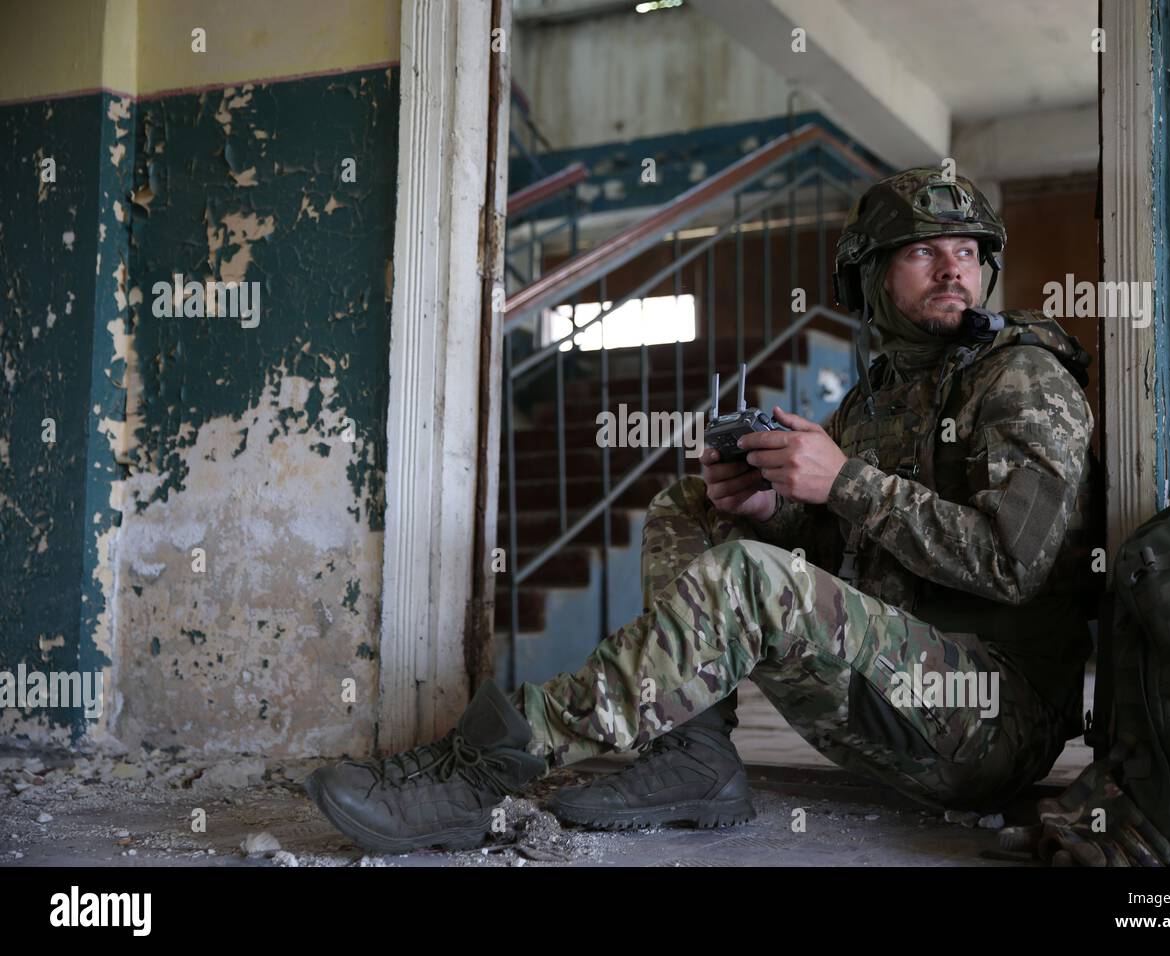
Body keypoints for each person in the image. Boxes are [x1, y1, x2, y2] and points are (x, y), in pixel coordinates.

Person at [304, 168, 1099, 853]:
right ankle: (694, 756)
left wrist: (844, 480)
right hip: (897, 688)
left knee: (756, 578)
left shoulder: (1021, 377)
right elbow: (852, 552)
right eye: (924, 250)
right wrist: (773, 511)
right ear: (867, 276)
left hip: (989, 719)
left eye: (966, 251)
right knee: (696, 505)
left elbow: (1014, 561)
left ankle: (487, 764)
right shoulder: (879, 398)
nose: (952, 269)